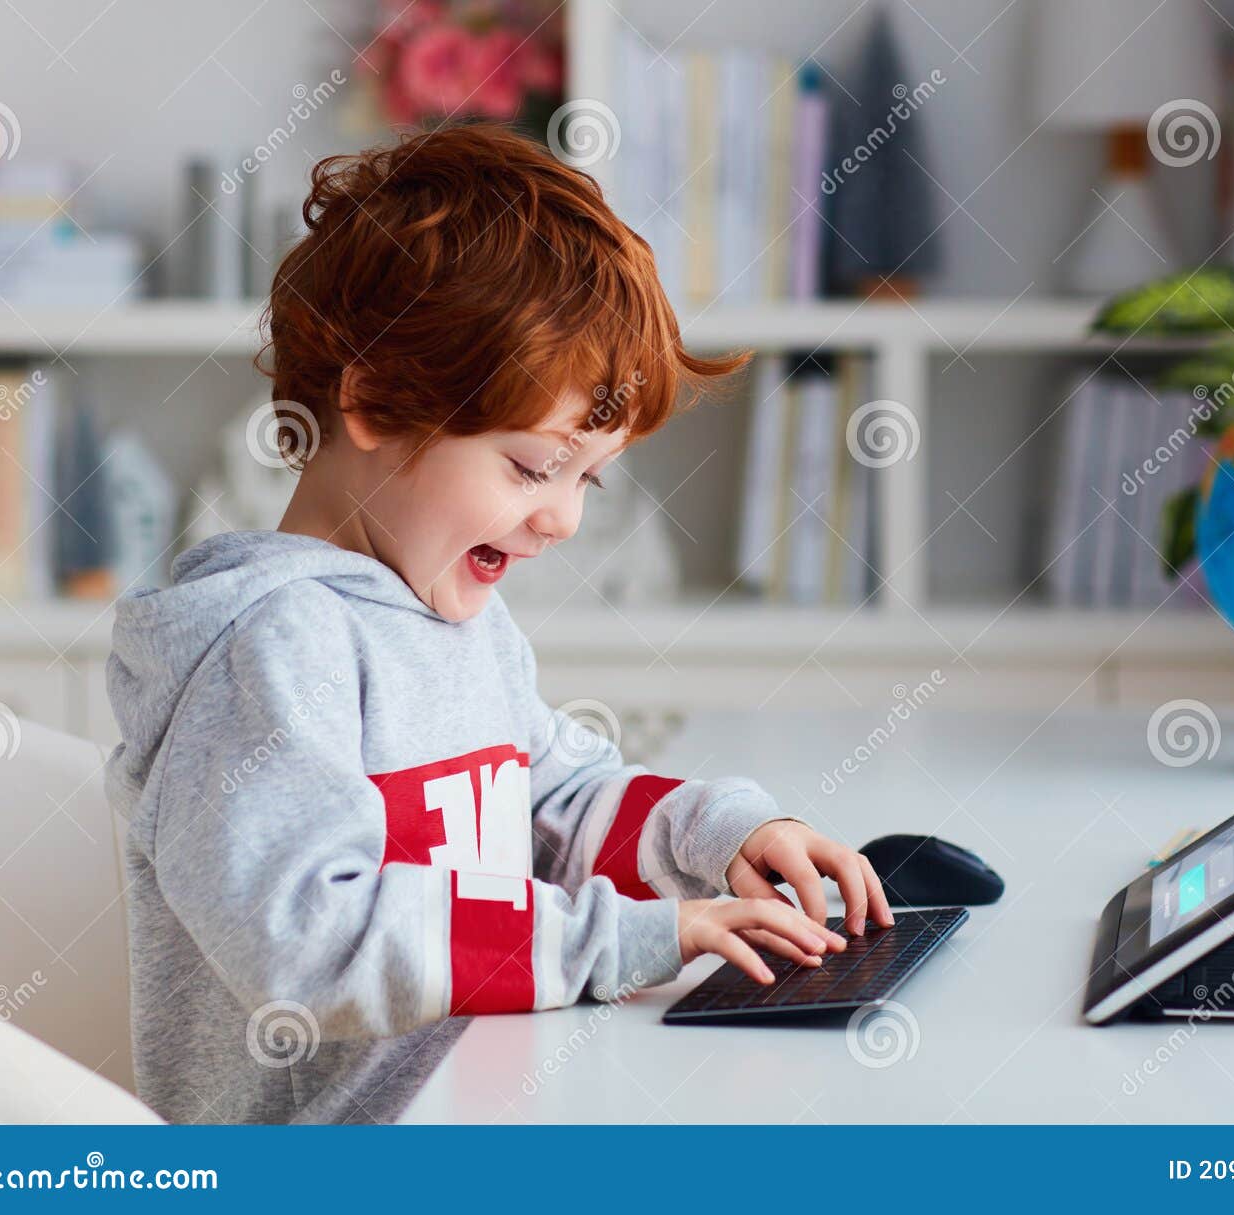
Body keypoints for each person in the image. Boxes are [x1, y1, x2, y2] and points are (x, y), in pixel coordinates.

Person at [103, 123, 892, 1124]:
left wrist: (722, 833)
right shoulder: (271, 648)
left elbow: (552, 794)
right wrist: (635, 937)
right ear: (376, 401)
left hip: (495, 1097)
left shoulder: (451, 616)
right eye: (529, 468)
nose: (561, 518)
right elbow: (311, 940)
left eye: (587, 480)